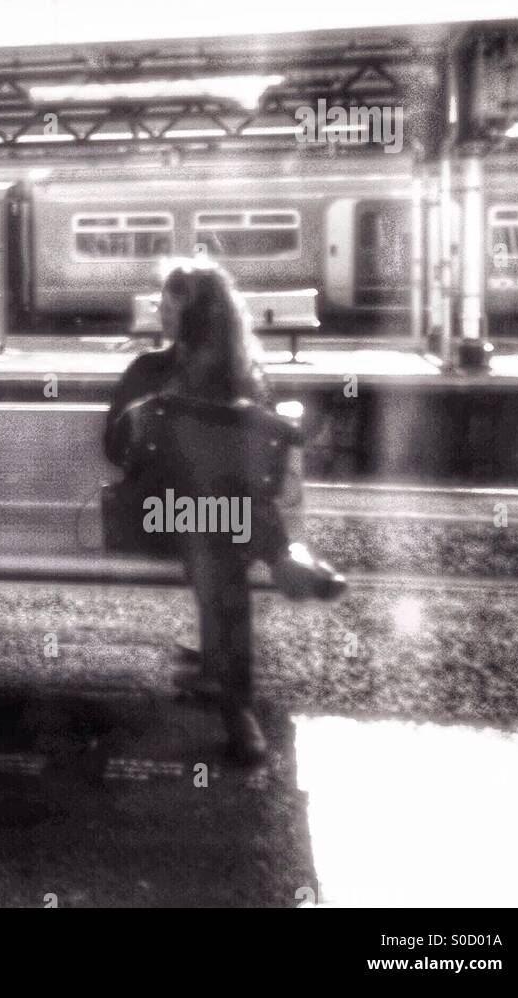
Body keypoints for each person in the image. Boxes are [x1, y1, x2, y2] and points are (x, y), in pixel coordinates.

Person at [104, 259, 344, 765]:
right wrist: (154, 421)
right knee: (222, 529)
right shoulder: (164, 372)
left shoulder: (235, 377)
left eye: (169, 300)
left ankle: (234, 699)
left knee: (218, 542)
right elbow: (116, 450)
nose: (159, 308)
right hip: (153, 514)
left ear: (191, 312)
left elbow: (262, 466)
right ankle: (281, 564)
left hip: (210, 525)